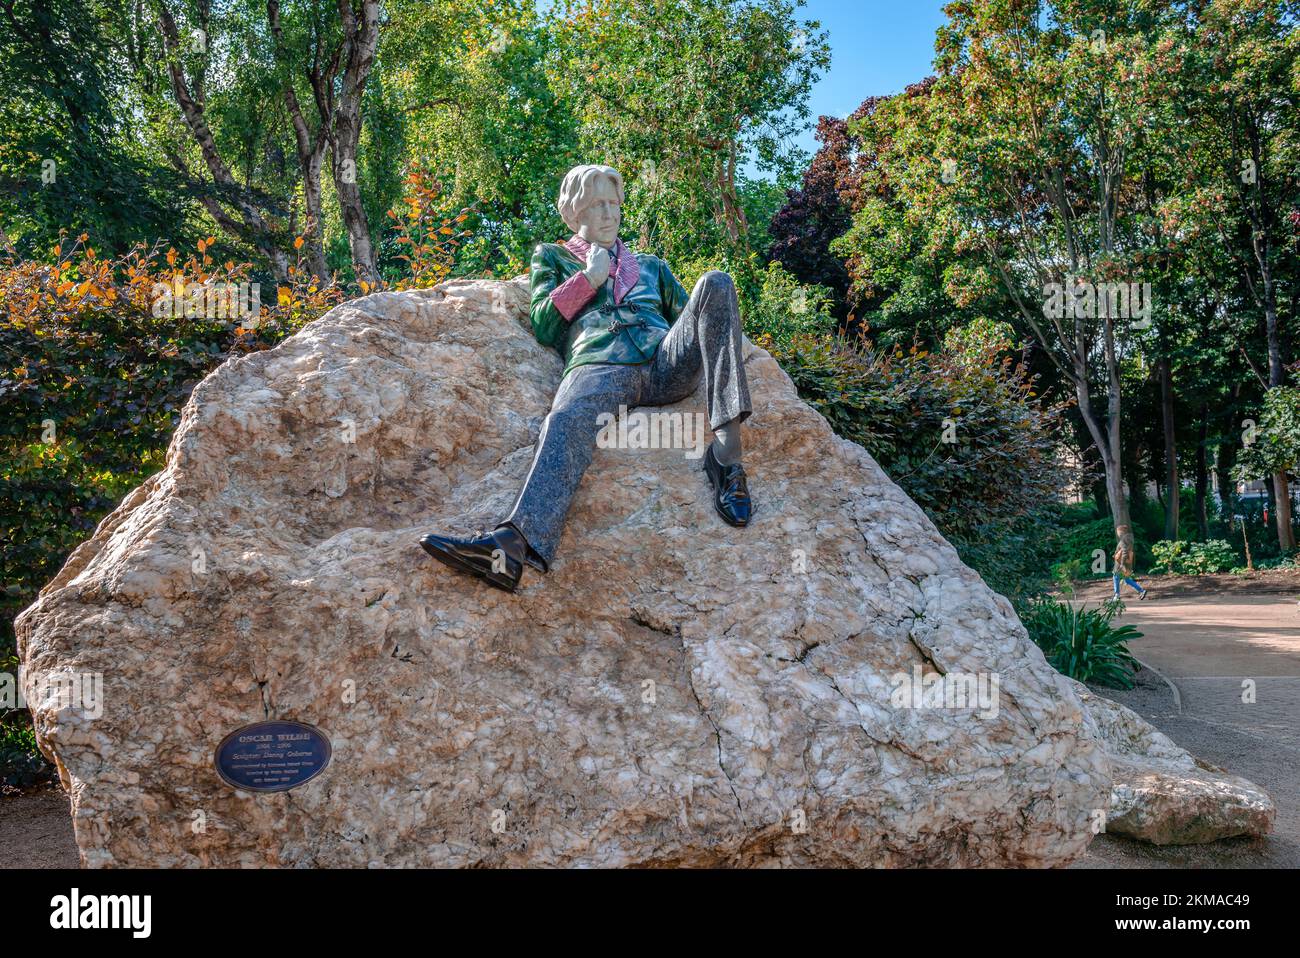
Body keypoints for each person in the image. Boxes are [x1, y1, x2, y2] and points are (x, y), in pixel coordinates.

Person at [419, 164, 753, 593]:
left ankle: (727, 460)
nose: (609, 214)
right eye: (597, 205)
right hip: (600, 365)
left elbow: (703, 321)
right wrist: (590, 278)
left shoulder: (651, 266)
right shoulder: (553, 257)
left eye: (614, 204)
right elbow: (544, 324)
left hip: (665, 366)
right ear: (574, 212)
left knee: (717, 282)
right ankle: (511, 548)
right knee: (564, 419)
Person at [1112, 526, 1148, 600]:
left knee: (1115, 577)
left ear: (1121, 532)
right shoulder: (1129, 541)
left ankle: (1117, 595)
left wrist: (1121, 564)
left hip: (1120, 565)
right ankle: (1142, 590)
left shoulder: (1123, 541)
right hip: (1126, 563)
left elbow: (1124, 552)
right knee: (1127, 579)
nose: (1118, 533)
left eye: (1118, 532)